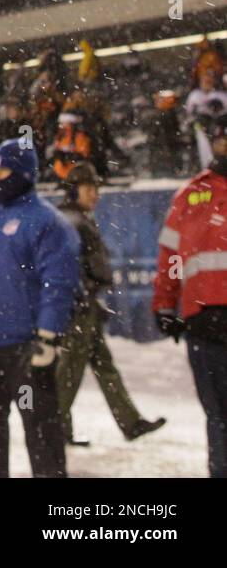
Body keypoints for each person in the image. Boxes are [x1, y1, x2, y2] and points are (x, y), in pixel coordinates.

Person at [0, 138, 79, 477]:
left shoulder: (45, 220)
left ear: (23, 172)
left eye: (3, 168)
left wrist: (48, 336)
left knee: (40, 434)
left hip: (25, 352)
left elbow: (59, 282)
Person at [53, 163, 164, 446]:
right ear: (75, 190)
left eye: (96, 189)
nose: (95, 195)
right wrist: (82, 296)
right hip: (79, 308)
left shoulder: (75, 218)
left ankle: (130, 422)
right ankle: (52, 429)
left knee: (103, 365)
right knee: (70, 371)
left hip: (84, 305)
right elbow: (68, 268)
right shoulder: (72, 221)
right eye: (90, 189)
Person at [153, 109, 227, 477]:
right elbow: (172, 257)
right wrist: (165, 304)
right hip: (205, 329)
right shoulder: (191, 195)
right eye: (221, 137)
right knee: (218, 419)